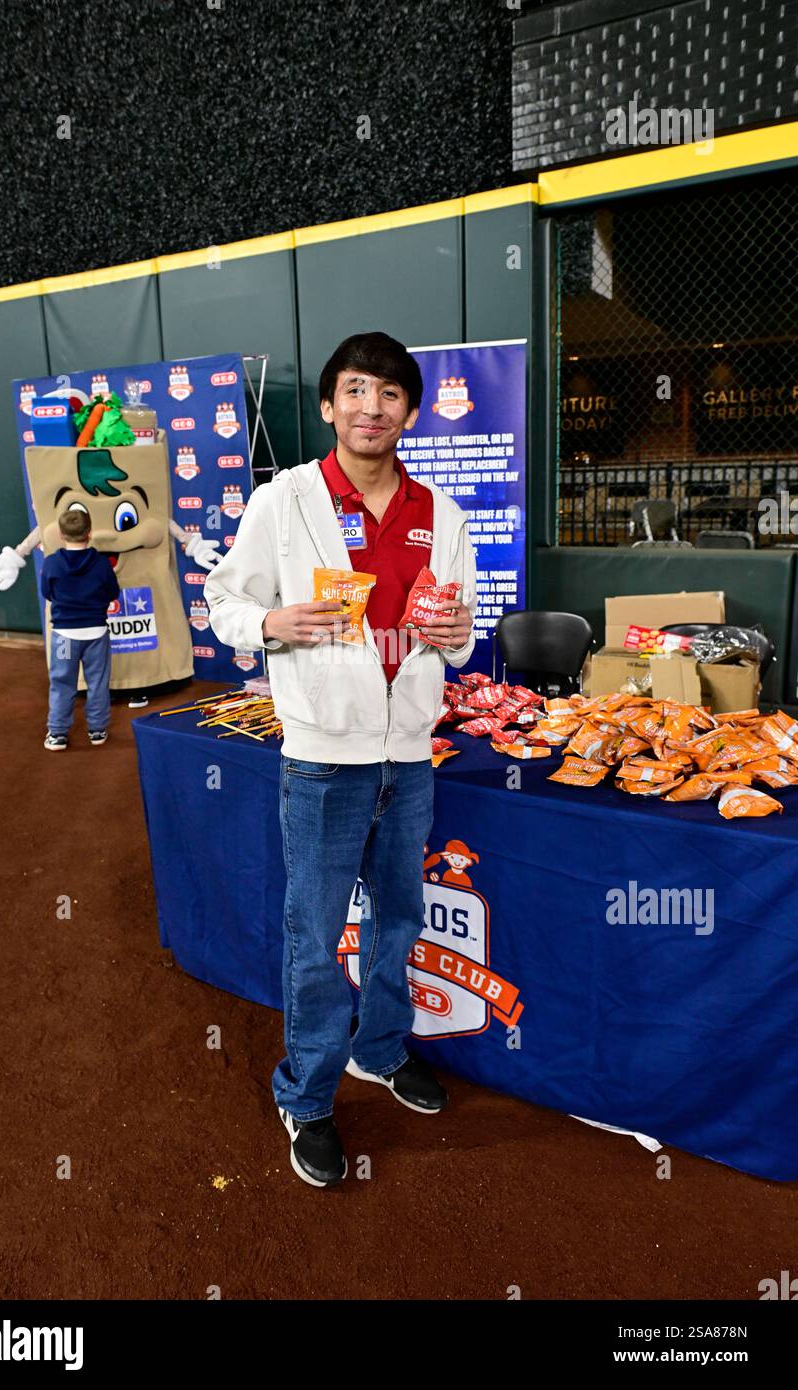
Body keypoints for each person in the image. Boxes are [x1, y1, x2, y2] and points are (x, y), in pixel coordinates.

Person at [205, 331, 477, 1187]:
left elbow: (460, 639)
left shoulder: (442, 514)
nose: (372, 407)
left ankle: (381, 1050)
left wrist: (458, 636)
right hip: (324, 756)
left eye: (390, 393)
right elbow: (223, 599)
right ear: (329, 406)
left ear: (410, 412)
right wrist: (268, 626)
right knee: (316, 936)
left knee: (399, 918)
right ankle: (309, 1095)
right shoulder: (285, 502)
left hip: (410, 754)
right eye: (355, 390)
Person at [40, 508, 120, 750]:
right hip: (96, 634)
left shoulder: (51, 563)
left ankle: (57, 733)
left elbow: (47, 594)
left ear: (62, 535)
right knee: (97, 682)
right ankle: (97, 730)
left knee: (62, 682)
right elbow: (113, 593)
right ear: (90, 533)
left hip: (65, 637)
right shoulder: (102, 564)